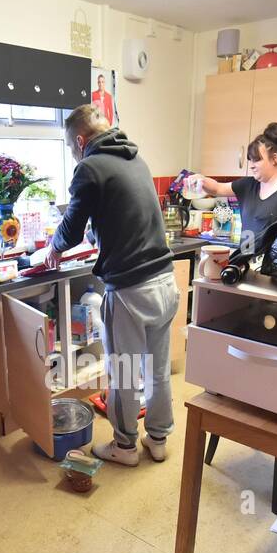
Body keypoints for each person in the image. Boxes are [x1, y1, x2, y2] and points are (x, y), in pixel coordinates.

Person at [45, 105, 179, 467]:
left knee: (122, 371)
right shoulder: (135, 158)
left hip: (132, 289)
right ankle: (158, 438)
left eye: (71, 148)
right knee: (157, 368)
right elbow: (119, 216)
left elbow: (70, 229)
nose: (74, 155)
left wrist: (52, 247)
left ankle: (124, 447)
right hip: (166, 282)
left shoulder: (89, 166)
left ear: (80, 140)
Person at [188, 122, 277, 247]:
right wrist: (201, 179)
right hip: (246, 260)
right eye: (251, 160)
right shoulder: (248, 185)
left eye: (257, 160)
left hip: (275, 265)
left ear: (274, 159)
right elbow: (217, 188)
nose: (252, 165)